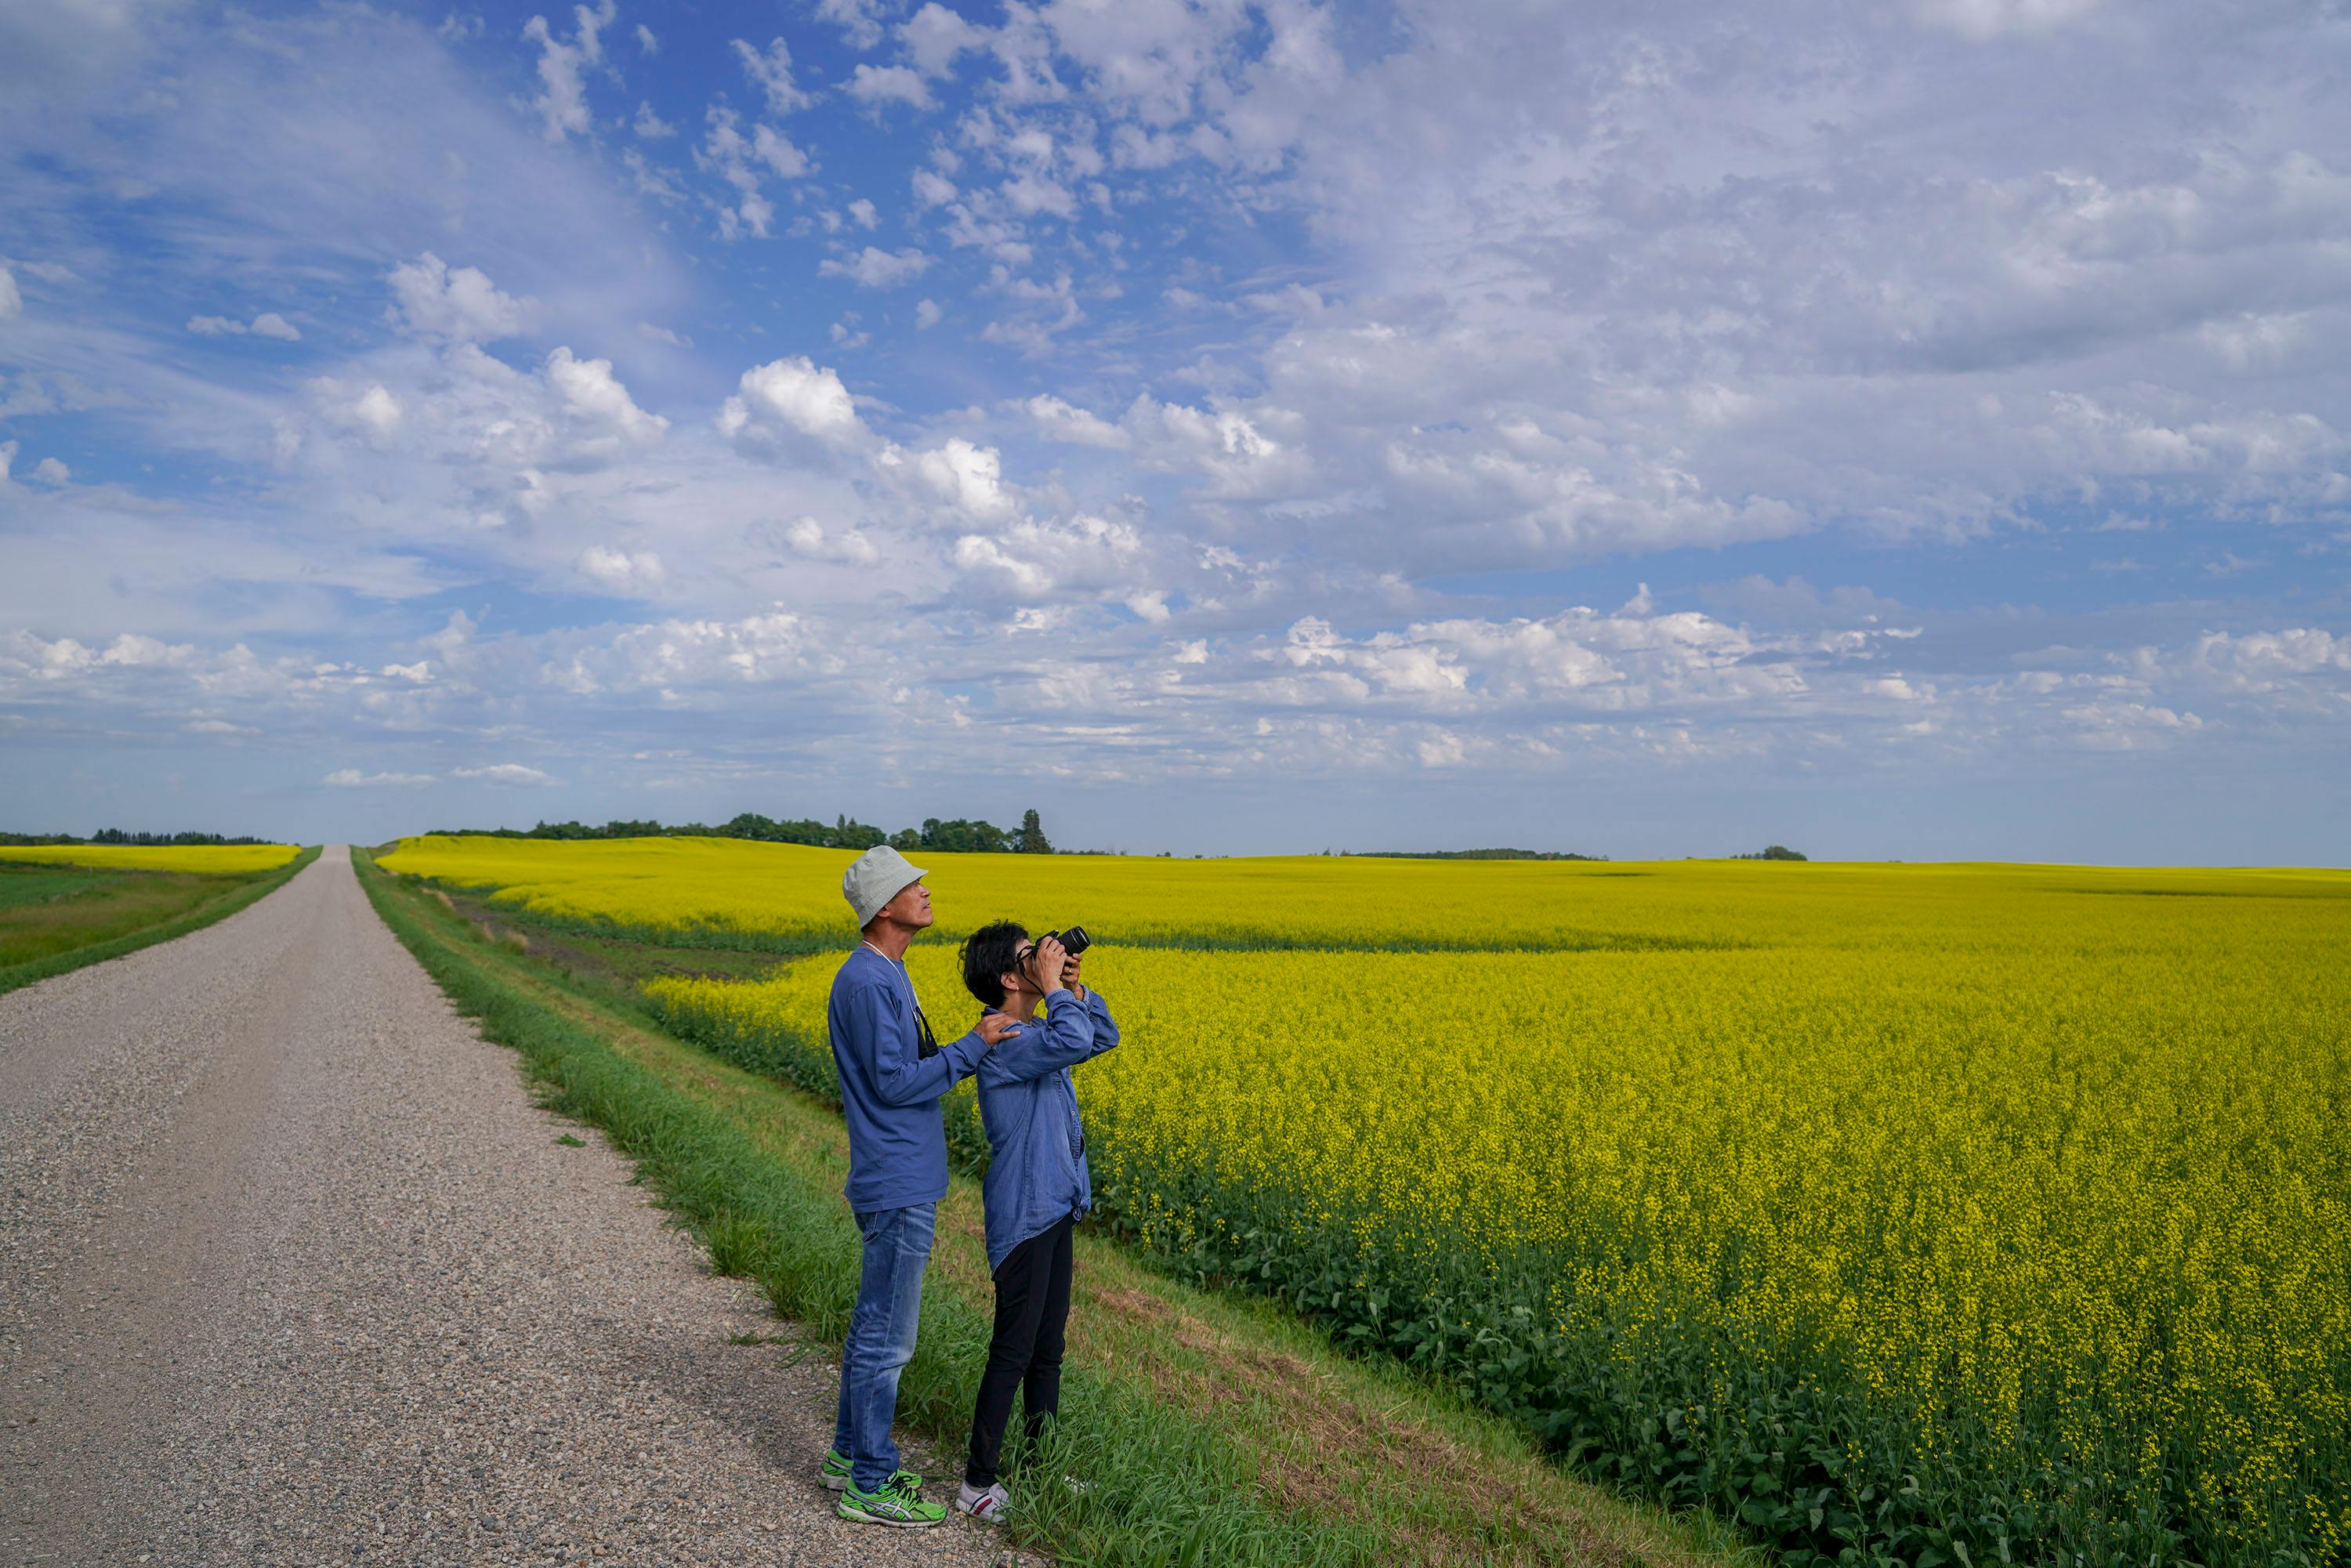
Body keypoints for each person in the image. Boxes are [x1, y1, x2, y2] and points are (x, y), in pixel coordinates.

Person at [822, 846, 1017, 1529]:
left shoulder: (887, 972)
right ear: (884, 907)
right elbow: (894, 1082)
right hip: (896, 1179)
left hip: (897, 1173)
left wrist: (966, 1046)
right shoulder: (870, 982)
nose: (926, 890)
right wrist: (974, 1046)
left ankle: (850, 1455)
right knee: (889, 1339)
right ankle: (871, 1482)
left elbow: (905, 1066)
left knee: (872, 1325)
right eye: (911, 884)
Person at [949, 922, 1120, 1524]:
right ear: (1006, 977)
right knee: (1014, 1349)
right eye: (1030, 954)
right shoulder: (1004, 1043)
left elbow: (1101, 1035)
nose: (1043, 957)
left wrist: (1072, 988)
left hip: (1054, 1206)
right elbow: (1073, 1042)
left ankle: (1042, 1461)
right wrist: (1055, 994)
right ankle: (977, 1483)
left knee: (1048, 1349)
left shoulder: (1041, 1029)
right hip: (1023, 1216)